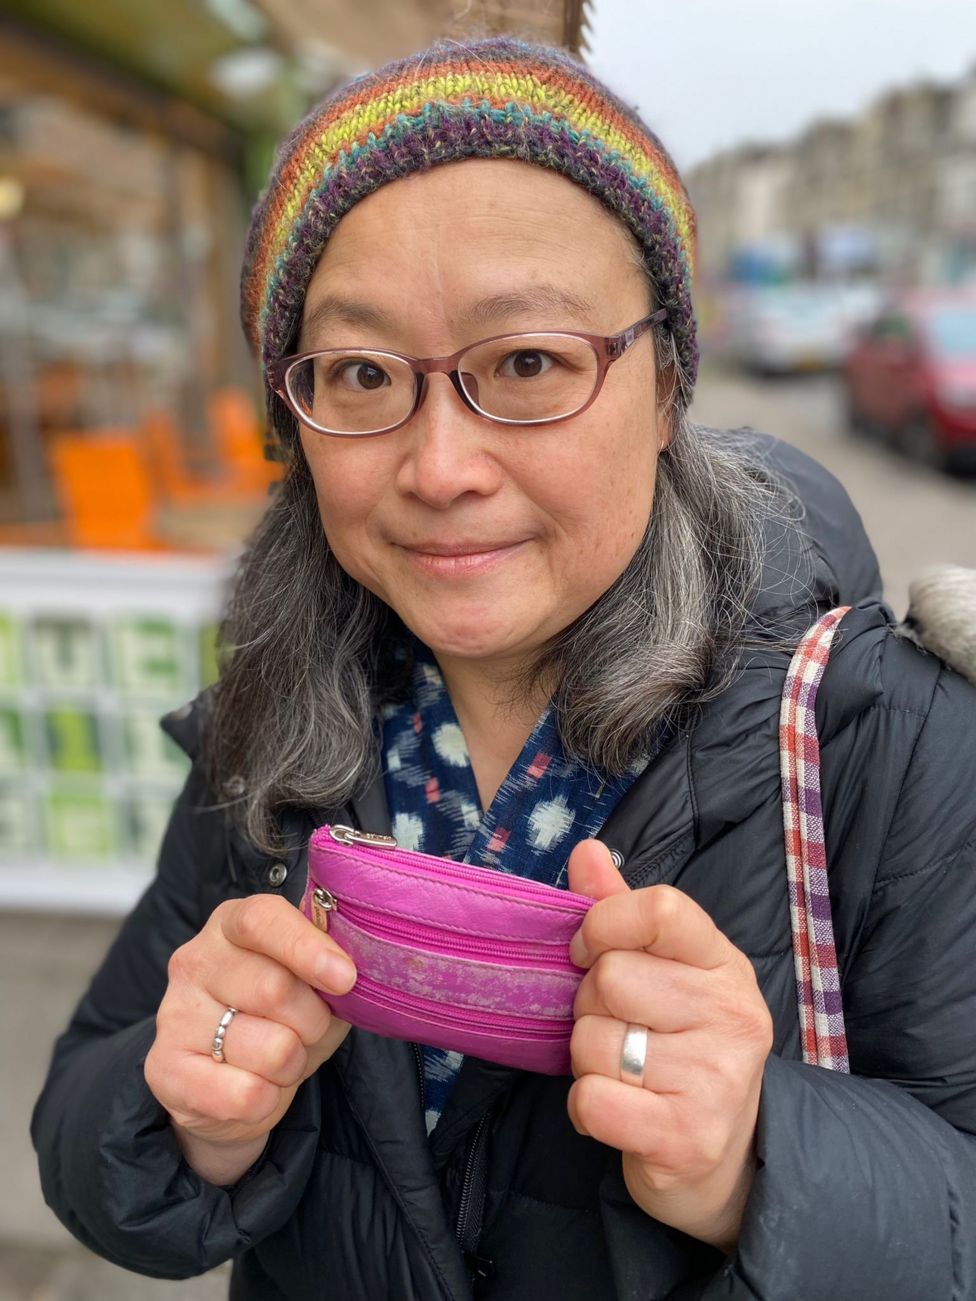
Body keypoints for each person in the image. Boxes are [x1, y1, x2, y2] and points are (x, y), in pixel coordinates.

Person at [31, 37, 976, 1301]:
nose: (438, 467)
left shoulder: (881, 735)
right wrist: (199, 1113)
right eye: (362, 375)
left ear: (665, 386)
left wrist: (759, 1157)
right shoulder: (285, 717)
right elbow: (88, 1118)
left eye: (526, 361)